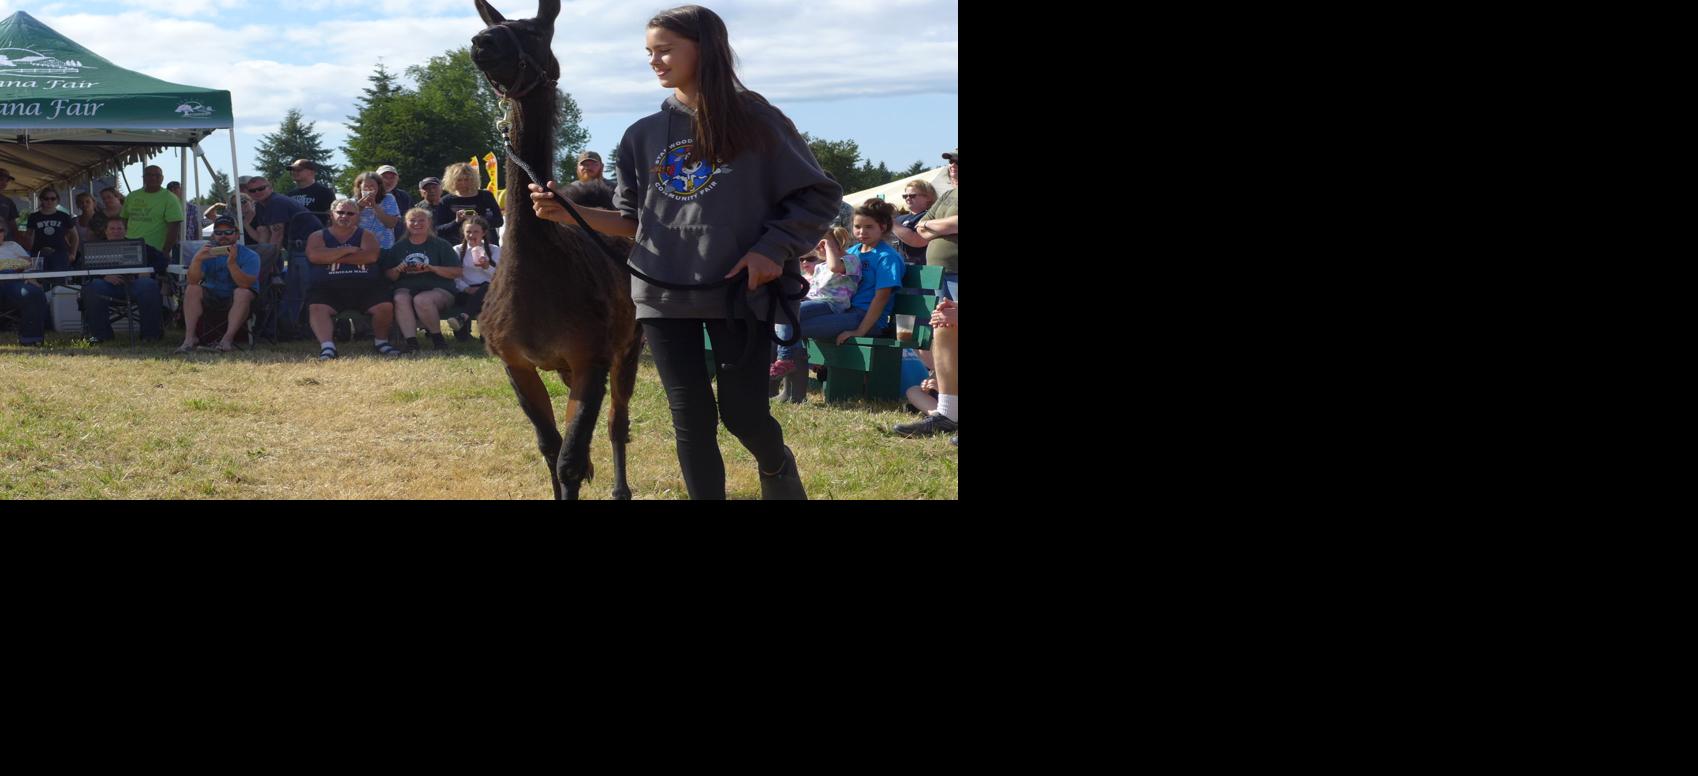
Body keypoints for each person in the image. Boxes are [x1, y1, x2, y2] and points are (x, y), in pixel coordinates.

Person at [528, 4, 841, 500]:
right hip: (660, 292)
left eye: (666, 50)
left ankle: (776, 464)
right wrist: (568, 213)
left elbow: (820, 194)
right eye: (649, 52)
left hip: (740, 291)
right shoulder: (640, 135)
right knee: (690, 416)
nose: (655, 61)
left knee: (743, 414)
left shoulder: (756, 119)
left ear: (706, 49)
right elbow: (632, 222)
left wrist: (770, 251)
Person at [768, 198, 905, 398]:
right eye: (857, 227)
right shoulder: (855, 251)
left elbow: (881, 298)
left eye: (869, 227)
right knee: (783, 323)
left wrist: (859, 330)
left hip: (865, 318)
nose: (861, 232)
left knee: (789, 329)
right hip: (843, 311)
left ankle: (794, 393)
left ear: (883, 227)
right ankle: (785, 391)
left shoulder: (887, 257)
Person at [892, 147, 958, 440]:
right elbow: (919, 230)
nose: (953, 166)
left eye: (958, 161)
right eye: (952, 161)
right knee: (943, 327)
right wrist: (935, 226)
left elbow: (939, 226)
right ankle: (948, 414)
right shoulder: (947, 196)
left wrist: (935, 226)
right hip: (942, 276)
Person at [304, 198, 401, 359]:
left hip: (365, 286)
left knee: (384, 306)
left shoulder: (366, 235)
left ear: (358, 216)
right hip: (328, 286)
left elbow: (370, 257)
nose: (345, 216)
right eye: (340, 212)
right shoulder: (318, 235)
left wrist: (330, 256)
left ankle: (381, 342)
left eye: (350, 213)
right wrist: (349, 250)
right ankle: (327, 347)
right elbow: (315, 256)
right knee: (316, 307)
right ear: (331, 215)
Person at [766, 230, 860, 380]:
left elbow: (835, 267)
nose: (816, 251)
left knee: (788, 314)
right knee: (784, 315)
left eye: (819, 246)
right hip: (814, 302)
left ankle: (785, 358)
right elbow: (813, 290)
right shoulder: (820, 267)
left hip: (832, 304)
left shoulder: (851, 260)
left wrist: (829, 240)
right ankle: (784, 364)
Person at [175, 214, 260, 354]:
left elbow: (245, 284)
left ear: (237, 235)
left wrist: (232, 263)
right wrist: (196, 261)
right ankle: (189, 339)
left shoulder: (250, 256)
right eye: (218, 232)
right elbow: (193, 280)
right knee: (192, 289)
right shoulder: (207, 253)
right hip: (212, 295)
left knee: (242, 292)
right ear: (213, 235)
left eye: (228, 232)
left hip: (239, 298)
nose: (223, 236)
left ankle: (227, 340)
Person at [382, 207, 461, 352]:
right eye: (412, 220)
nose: (417, 223)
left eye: (421, 220)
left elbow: (456, 272)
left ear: (429, 222)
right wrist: (398, 269)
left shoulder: (441, 244)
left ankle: (439, 341)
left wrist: (431, 268)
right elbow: (389, 276)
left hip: (439, 290)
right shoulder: (398, 247)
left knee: (422, 299)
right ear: (406, 223)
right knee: (400, 298)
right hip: (407, 288)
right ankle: (411, 343)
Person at [80, 217, 166, 344]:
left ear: (125, 231)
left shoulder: (139, 246)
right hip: (106, 287)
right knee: (93, 286)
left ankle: (150, 335)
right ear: (106, 231)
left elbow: (163, 260)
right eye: (112, 228)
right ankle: (101, 335)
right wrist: (103, 276)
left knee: (149, 285)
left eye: (119, 228)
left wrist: (149, 270)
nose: (116, 231)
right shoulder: (94, 248)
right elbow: (80, 268)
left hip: (134, 285)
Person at [448, 216, 499, 341]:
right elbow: (454, 276)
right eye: (468, 232)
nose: (471, 235)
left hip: (489, 291)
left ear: (484, 233)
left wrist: (487, 267)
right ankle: (483, 335)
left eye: (475, 232)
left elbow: (500, 277)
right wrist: (466, 289)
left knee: (486, 289)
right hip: (466, 292)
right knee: (482, 296)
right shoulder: (457, 250)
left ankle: (463, 318)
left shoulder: (494, 250)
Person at [118, 165, 183, 259]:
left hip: (155, 250)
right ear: (143, 178)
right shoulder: (132, 196)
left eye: (157, 175)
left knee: (148, 274)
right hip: (130, 246)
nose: (153, 178)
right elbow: (124, 218)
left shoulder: (170, 198)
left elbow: (174, 227)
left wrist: (166, 251)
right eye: (149, 175)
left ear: (162, 178)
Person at [0, 220, 47, 346]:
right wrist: (11, 263)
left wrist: (31, 279)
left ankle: (31, 339)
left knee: (34, 293)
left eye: (1, 230)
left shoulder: (12, 245)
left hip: (14, 280)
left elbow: (28, 262)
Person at [441, 162, 503, 246]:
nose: (463, 183)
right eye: (459, 180)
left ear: (473, 179)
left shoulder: (486, 196)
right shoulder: (446, 201)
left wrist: (478, 219)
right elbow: (439, 229)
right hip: (456, 248)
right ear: (451, 180)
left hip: (487, 246)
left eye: (466, 179)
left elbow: (499, 221)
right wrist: (456, 221)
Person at [22, 188, 78, 273]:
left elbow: (75, 236)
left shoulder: (64, 216)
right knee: (40, 281)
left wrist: (73, 254)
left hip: (60, 254)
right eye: (46, 198)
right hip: (39, 254)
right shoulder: (33, 217)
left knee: (59, 282)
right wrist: (30, 253)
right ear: (41, 200)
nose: (49, 201)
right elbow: (28, 235)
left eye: (53, 198)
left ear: (57, 200)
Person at [889, 179, 937, 264]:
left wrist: (889, 220)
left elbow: (917, 240)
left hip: (922, 268)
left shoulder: (932, 217)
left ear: (928, 197)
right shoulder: (900, 218)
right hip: (902, 266)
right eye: (905, 196)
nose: (907, 198)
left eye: (912, 196)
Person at [350, 171, 399, 250]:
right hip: (361, 247)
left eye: (372, 186)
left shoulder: (388, 199)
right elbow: (348, 225)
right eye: (365, 187)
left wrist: (375, 206)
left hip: (384, 247)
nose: (369, 189)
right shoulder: (352, 202)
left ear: (378, 187)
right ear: (360, 188)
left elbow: (391, 224)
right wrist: (359, 207)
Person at [286, 159, 336, 227]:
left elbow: (332, 218)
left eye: (298, 169)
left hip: (317, 234)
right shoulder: (289, 195)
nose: (294, 172)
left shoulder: (324, 192)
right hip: (292, 235)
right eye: (292, 170)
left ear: (311, 172)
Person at [377, 165, 413, 242]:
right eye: (384, 177)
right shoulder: (365, 195)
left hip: (399, 241)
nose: (388, 180)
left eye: (392, 177)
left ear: (397, 180)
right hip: (372, 242)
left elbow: (410, 219)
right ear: (376, 179)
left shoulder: (404, 196)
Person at [417, 176, 459, 241]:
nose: (431, 190)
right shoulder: (416, 210)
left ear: (441, 189)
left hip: (451, 242)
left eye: (434, 187)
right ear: (421, 192)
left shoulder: (451, 205)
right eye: (427, 188)